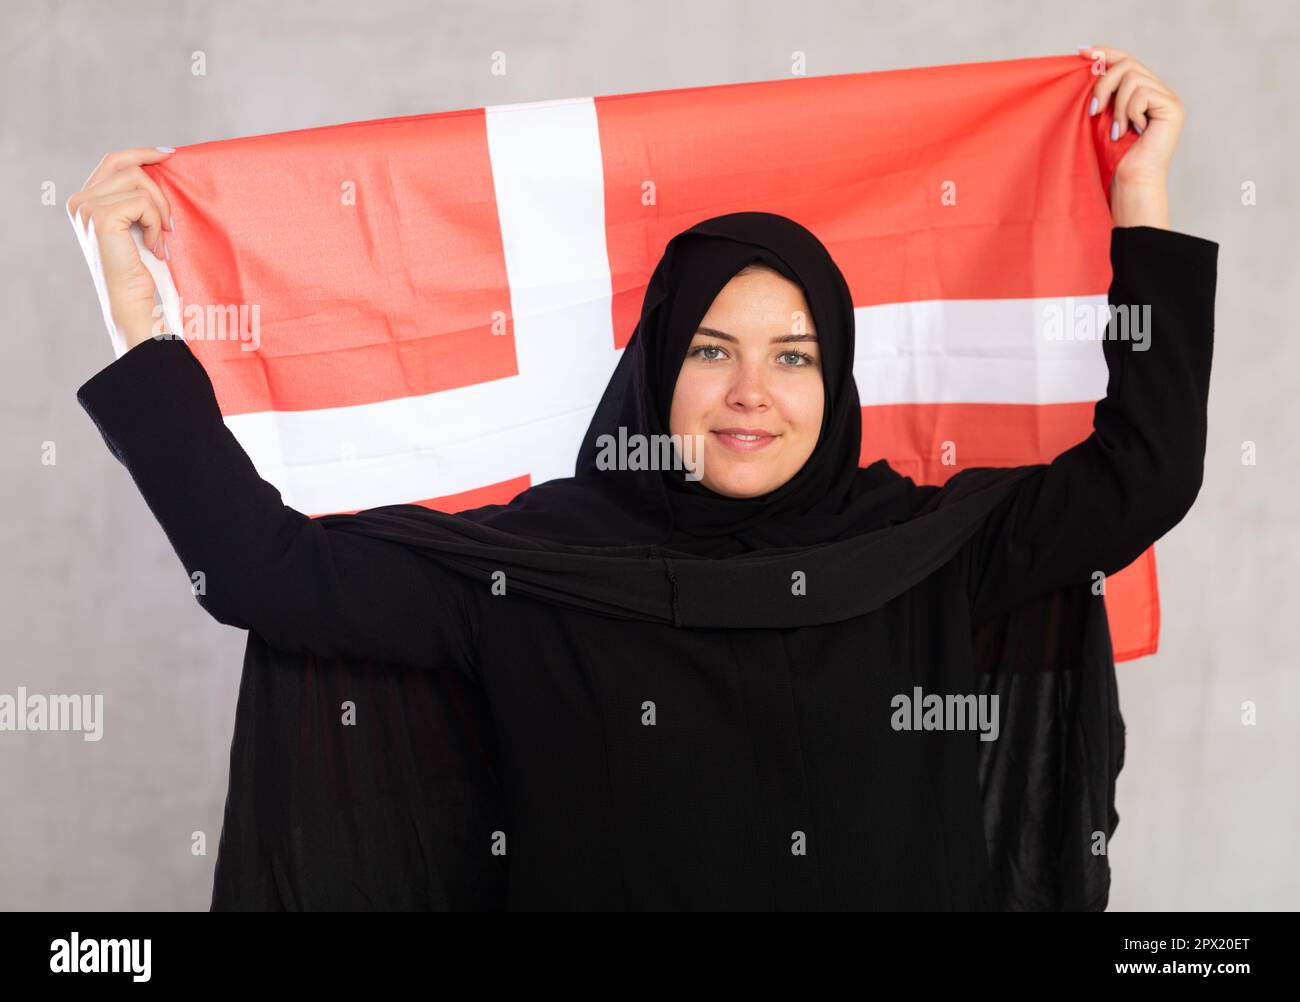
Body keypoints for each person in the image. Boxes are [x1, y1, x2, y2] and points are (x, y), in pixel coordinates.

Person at [70, 47, 1217, 910]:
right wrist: (137, 316)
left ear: (835, 383)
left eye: (793, 357)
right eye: (712, 352)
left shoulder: (927, 554)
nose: (750, 392)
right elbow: (264, 574)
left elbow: (1141, 475)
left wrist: (1141, 199)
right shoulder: (533, 575)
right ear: (658, 374)